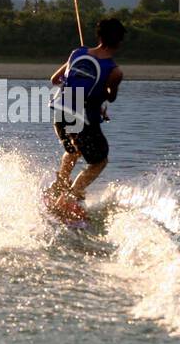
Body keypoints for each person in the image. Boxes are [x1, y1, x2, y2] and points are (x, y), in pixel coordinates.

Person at [47, 17, 125, 208]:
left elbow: (55, 79)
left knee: (73, 150)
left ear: (99, 36)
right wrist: (97, 102)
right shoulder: (115, 72)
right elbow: (110, 96)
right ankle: (71, 196)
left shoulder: (77, 53)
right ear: (120, 41)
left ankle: (59, 186)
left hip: (60, 113)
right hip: (83, 120)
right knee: (99, 161)